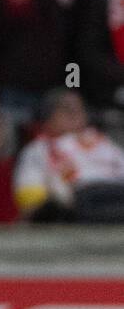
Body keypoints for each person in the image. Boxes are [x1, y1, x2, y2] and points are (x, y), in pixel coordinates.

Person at [14, 89, 124, 222]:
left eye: (79, 109)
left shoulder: (105, 144)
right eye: (67, 109)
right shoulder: (37, 150)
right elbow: (31, 202)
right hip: (76, 212)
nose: (75, 114)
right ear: (48, 116)